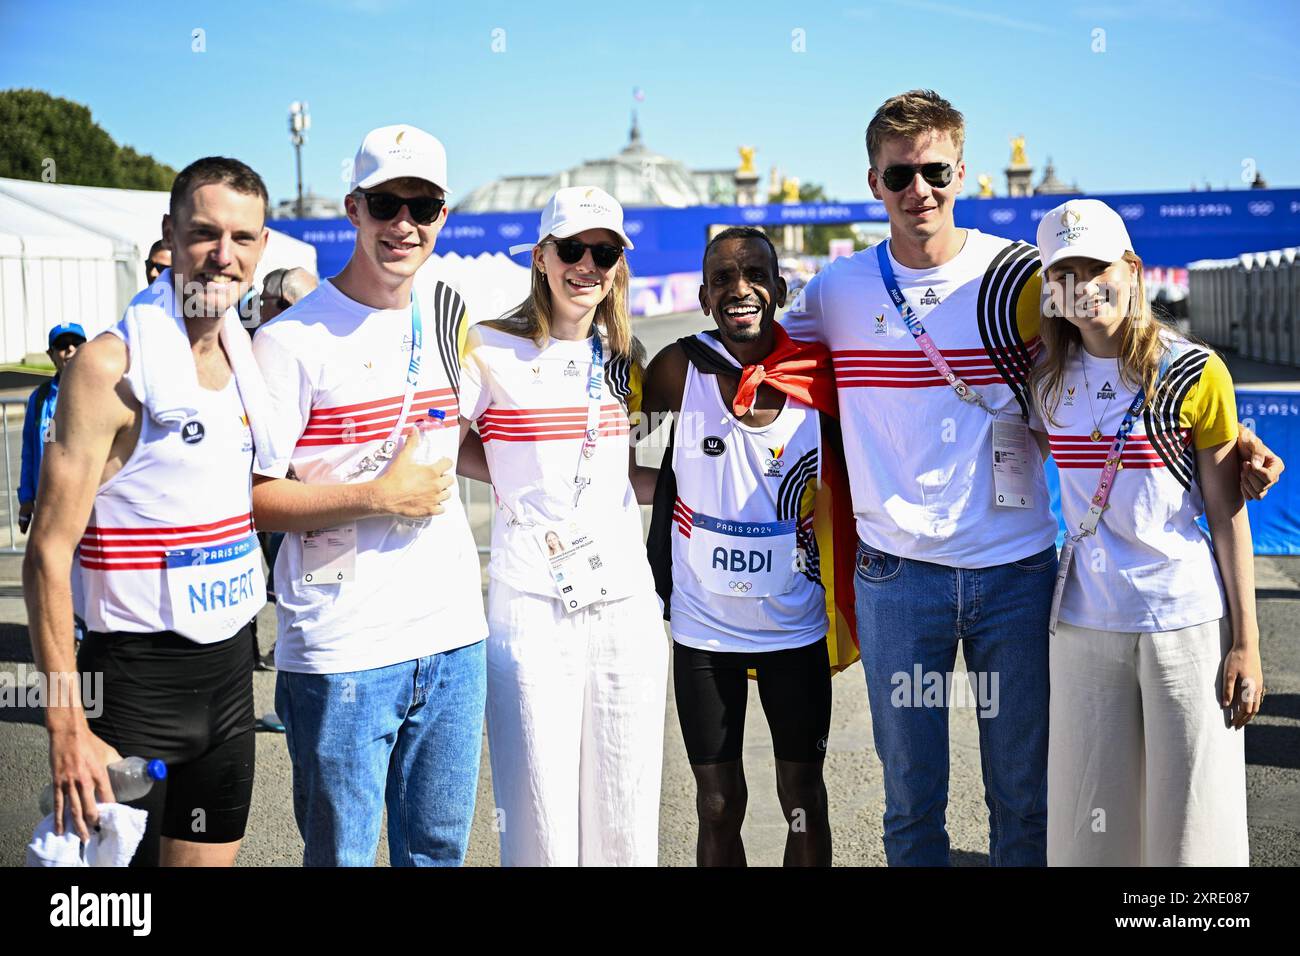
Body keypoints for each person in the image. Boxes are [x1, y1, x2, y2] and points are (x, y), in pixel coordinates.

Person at [782, 89, 1284, 866]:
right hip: (896, 576)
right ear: (873, 182)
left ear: (963, 174)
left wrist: (1230, 432)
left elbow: (1126, 345)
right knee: (911, 802)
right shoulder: (836, 291)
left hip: (1013, 574)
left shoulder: (1019, 276)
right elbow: (746, 357)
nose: (920, 190)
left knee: (1026, 798)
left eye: (937, 172)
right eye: (899, 176)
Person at [23, 156, 276, 866]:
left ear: (261, 249)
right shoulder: (111, 367)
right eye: (203, 233)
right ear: (170, 233)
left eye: (242, 238)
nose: (222, 256)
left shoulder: (243, 356)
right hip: (133, 688)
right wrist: (65, 723)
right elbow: (46, 552)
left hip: (229, 679)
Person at [251, 125, 488, 867]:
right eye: (386, 203)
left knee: (436, 853)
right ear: (354, 208)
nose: (404, 225)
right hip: (341, 646)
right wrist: (379, 495)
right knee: (342, 856)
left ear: (443, 216)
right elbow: (257, 498)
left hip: (452, 634)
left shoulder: (452, 315)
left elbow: (470, 445)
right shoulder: (291, 339)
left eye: (423, 207)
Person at [1032, 198, 1262, 865]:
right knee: (1089, 833)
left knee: (1193, 830)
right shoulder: (1044, 380)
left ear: (1131, 268)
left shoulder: (1196, 370)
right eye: (1062, 274)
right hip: (1082, 626)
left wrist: (1247, 642)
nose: (1081, 287)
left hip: (1184, 621)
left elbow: (1227, 516)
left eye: (1096, 267)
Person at [459, 186, 669, 866]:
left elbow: (622, 473)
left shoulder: (623, 357)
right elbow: (439, 441)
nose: (588, 265)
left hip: (625, 601)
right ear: (542, 256)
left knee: (626, 803)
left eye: (604, 251)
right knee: (538, 805)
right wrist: (511, 474)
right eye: (572, 249)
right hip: (530, 599)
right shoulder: (487, 347)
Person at [641, 226, 857, 866]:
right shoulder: (680, 371)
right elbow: (607, 443)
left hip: (793, 628)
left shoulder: (818, 384)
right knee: (715, 804)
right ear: (705, 297)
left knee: (802, 797)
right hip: (704, 630)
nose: (740, 289)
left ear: (780, 289)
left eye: (755, 274)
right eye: (722, 280)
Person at [18, 323, 86, 535]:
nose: (70, 349)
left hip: (89, 506)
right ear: (51, 354)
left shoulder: (100, 393)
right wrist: (27, 499)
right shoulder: (39, 398)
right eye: (62, 345)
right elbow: (29, 451)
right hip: (50, 507)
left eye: (77, 344)